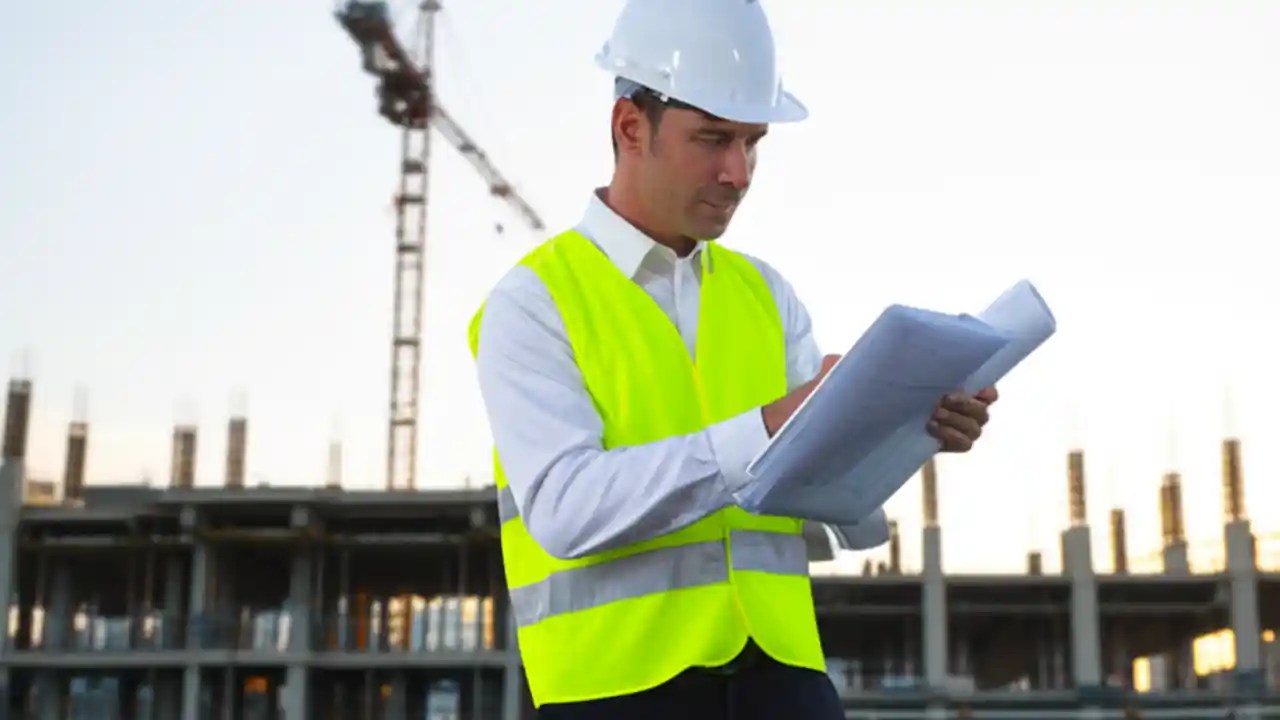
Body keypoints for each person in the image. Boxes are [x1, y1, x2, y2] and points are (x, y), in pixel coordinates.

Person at [467, 0, 998, 717]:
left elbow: (831, 504)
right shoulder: (532, 304)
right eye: (713, 139)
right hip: (617, 689)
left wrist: (907, 428)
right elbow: (564, 511)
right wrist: (771, 426)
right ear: (630, 127)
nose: (738, 172)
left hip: (784, 677)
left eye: (752, 143)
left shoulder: (767, 296)